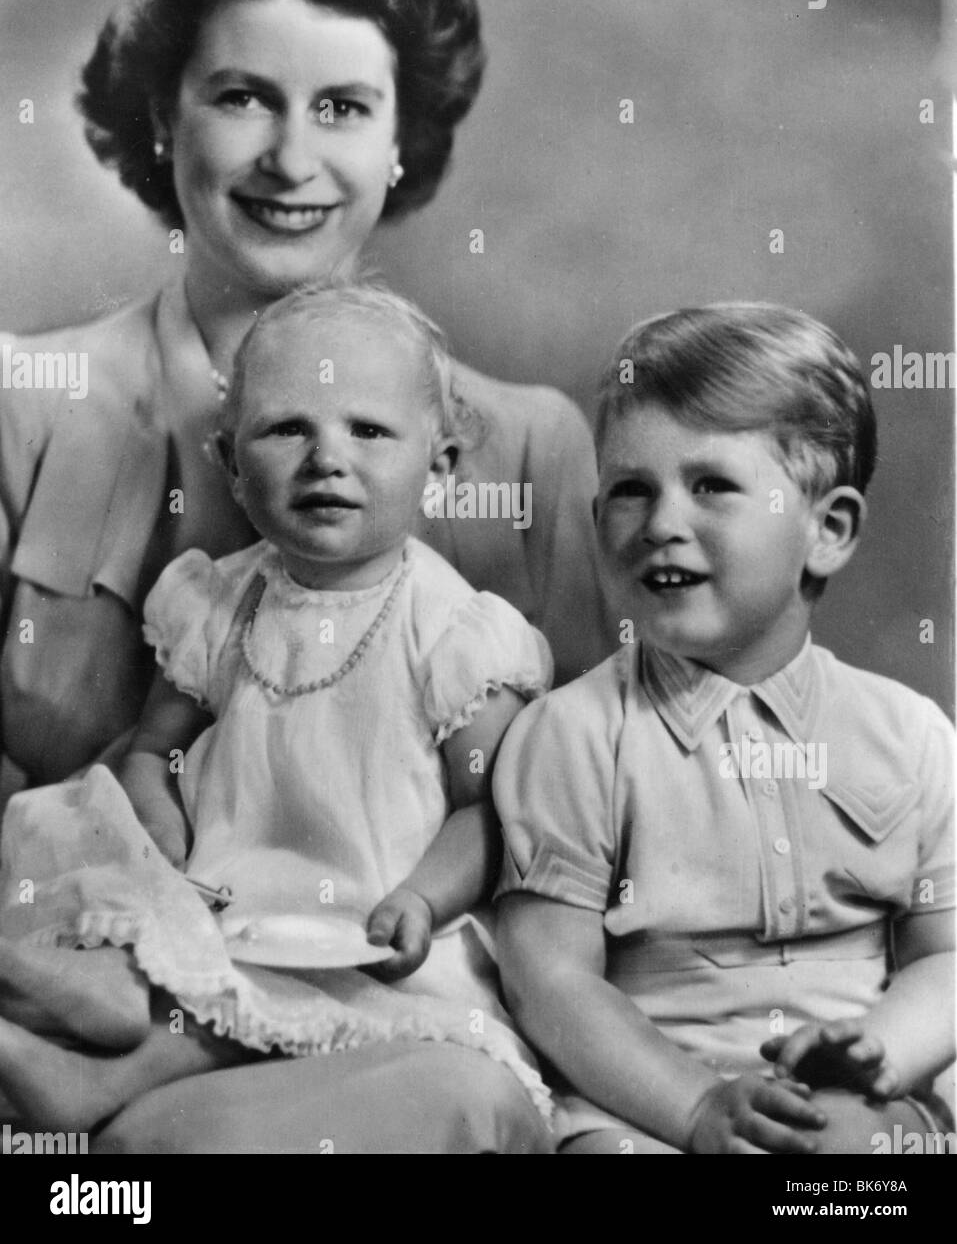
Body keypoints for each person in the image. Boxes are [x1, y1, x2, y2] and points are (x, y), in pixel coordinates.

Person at [0, 0, 594, 1154]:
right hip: (77, 984)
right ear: (162, 120)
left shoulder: (531, 446)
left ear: (400, 143)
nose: (289, 158)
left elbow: (575, 837)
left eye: (341, 108)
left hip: (384, 1015)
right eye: (242, 97)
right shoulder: (22, 405)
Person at [0, 283, 553, 1135]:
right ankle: (91, 994)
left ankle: (85, 1070)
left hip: (370, 938)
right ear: (230, 463)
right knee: (87, 817)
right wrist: (163, 839)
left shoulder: (454, 632)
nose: (325, 457)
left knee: (268, 1005)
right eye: (287, 428)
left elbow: (487, 807)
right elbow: (155, 752)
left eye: (367, 430)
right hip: (229, 903)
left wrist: (422, 899)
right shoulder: (217, 601)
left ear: (438, 469)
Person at [494, 303, 955, 1154]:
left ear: (827, 529)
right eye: (630, 490)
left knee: (849, 1156)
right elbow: (549, 980)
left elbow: (946, 957)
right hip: (642, 1099)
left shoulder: (911, 735)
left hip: (853, 1092)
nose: (662, 522)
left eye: (710, 485)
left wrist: (876, 1052)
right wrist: (699, 1108)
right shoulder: (571, 735)